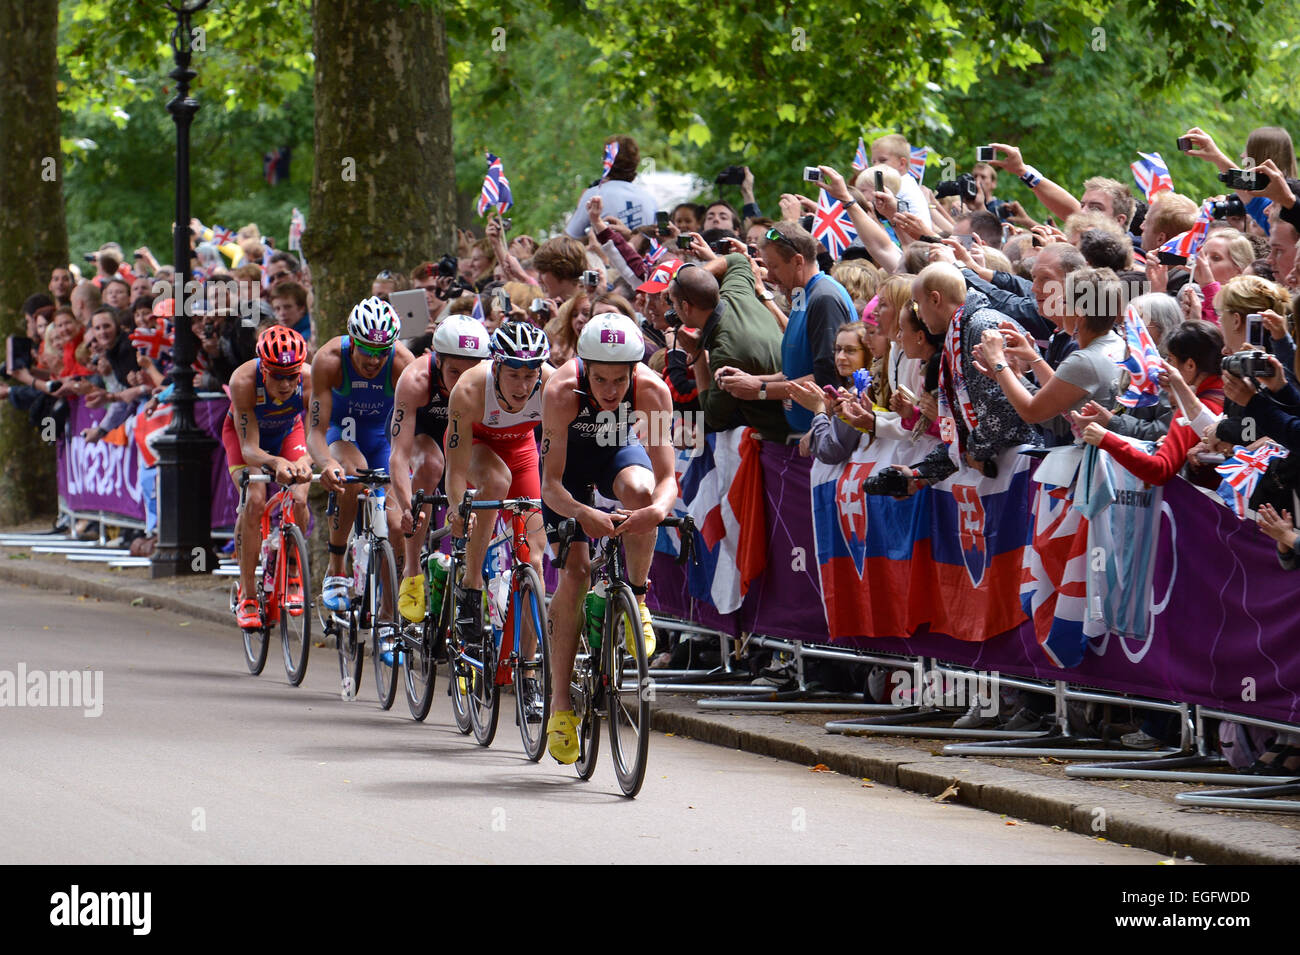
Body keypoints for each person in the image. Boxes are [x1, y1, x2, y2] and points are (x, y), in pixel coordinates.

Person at [540, 313, 677, 764]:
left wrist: (658, 509)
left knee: (640, 492)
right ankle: (561, 706)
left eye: (620, 380)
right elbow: (550, 486)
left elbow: (666, 477)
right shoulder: (560, 391)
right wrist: (583, 514)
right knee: (576, 574)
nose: (611, 391)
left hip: (616, 454)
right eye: (600, 379)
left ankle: (635, 597)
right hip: (570, 478)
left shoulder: (653, 390)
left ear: (635, 372)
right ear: (584, 368)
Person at [443, 321, 552, 648]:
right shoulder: (469, 390)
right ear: (496, 366)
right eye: (514, 375)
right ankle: (472, 582)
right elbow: (455, 471)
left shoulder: (552, 386)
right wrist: (458, 507)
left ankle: (530, 669)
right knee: (496, 480)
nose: (522, 386)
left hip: (521, 451)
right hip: (476, 446)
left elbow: (561, 453)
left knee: (534, 558)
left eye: (530, 376)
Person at [308, 297, 415, 612]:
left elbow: (414, 428)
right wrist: (326, 462)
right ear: (353, 341)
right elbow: (315, 430)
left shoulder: (401, 364)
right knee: (352, 474)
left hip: (382, 441)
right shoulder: (329, 360)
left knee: (396, 525)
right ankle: (336, 568)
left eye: (382, 352)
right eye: (367, 350)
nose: (374, 361)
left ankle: (388, 613)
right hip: (342, 434)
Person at [390, 315, 490, 621]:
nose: (462, 381)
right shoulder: (415, 380)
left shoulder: (490, 380)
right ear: (436, 361)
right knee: (432, 464)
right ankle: (411, 570)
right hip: (423, 433)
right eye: (453, 372)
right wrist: (408, 506)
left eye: (470, 372)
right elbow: (398, 455)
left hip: (462, 435)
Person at [223, 326, 313, 629]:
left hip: (289, 431)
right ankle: (248, 594)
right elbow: (249, 448)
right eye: (277, 375)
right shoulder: (243, 380)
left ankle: (293, 567)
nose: (286, 383)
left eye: (292, 375)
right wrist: (276, 462)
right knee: (255, 498)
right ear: (263, 368)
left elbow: (317, 438)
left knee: (300, 494)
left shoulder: (310, 379)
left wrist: (303, 461)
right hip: (247, 439)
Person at [665, 243, 790, 440]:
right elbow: (738, 260)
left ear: (686, 307)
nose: (671, 310)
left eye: (673, 303)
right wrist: (691, 280)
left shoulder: (726, 354)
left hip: (786, 439)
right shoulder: (736, 293)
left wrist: (697, 355)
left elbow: (713, 417)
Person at [564, 135, 659, 238]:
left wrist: (579, 208)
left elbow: (568, 239)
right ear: (635, 163)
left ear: (606, 162)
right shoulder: (649, 199)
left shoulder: (594, 196)